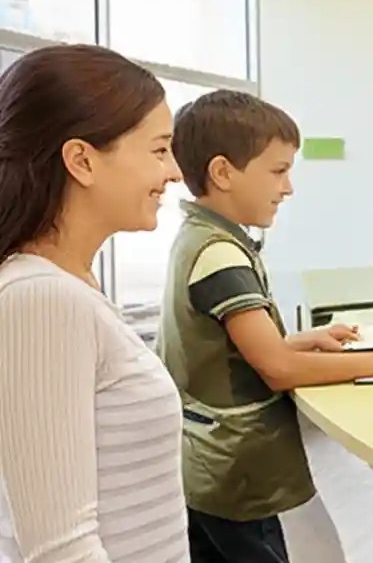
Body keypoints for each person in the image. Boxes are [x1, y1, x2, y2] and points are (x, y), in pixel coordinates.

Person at [155, 90, 373, 563]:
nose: (288, 187)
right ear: (223, 172)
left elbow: (222, 348)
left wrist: (296, 341)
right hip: (236, 472)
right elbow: (276, 369)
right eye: (278, 171)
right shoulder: (220, 255)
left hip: (208, 466)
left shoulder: (199, 238)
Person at [0, 45, 188, 561]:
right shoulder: (41, 299)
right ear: (81, 160)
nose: (174, 171)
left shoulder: (72, 286)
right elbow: (62, 549)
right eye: (158, 150)